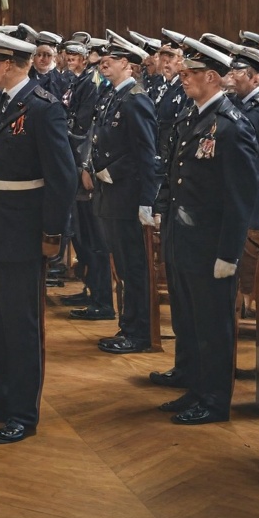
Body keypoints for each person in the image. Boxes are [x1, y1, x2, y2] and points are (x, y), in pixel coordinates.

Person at [0, 29, 75, 445]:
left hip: (24, 230)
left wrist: (51, 233)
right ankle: (1, 395)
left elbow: (62, 178)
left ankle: (24, 411)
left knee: (21, 323)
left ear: (10, 64)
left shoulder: (44, 109)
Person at [151, 35, 259, 425]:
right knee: (190, 319)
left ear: (213, 78)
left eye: (191, 73)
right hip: (185, 239)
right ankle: (196, 388)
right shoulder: (193, 116)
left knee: (213, 326)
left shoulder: (232, 127)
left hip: (212, 244)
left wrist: (229, 255)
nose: (183, 77)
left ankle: (215, 400)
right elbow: (176, 175)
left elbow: (240, 197)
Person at [91, 37, 159, 353]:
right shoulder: (112, 96)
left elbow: (146, 154)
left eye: (112, 58)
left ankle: (139, 332)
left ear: (127, 64)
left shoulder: (136, 100)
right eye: (103, 58)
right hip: (111, 194)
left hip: (128, 195)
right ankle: (127, 325)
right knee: (122, 264)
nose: (105, 62)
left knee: (134, 267)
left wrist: (147, 200)